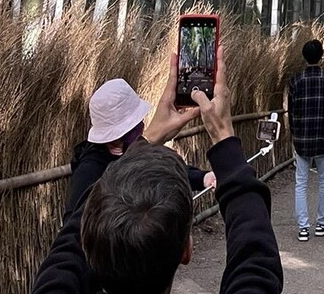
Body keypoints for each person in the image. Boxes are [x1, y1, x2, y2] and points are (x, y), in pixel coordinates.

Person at [20, 44, 283, 294]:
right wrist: (223, 139)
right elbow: (256, 265)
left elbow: (66, 251)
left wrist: (148, 141)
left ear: (87, 239)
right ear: (187, 250)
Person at [67, 78, 215, 210]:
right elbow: (75, 228)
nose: (141, 126)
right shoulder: (89, 171)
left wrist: (203, 178)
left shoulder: (133, 150)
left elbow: (162, 169)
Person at [287, 38, 324, 242]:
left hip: (302, 140)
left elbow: (292, 113)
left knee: (301, 182)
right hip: (323, 138)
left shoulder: (295, 80)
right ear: (321, 56)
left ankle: (303, 228)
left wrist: (294, 134)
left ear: (304, 57)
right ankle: (322, 223)